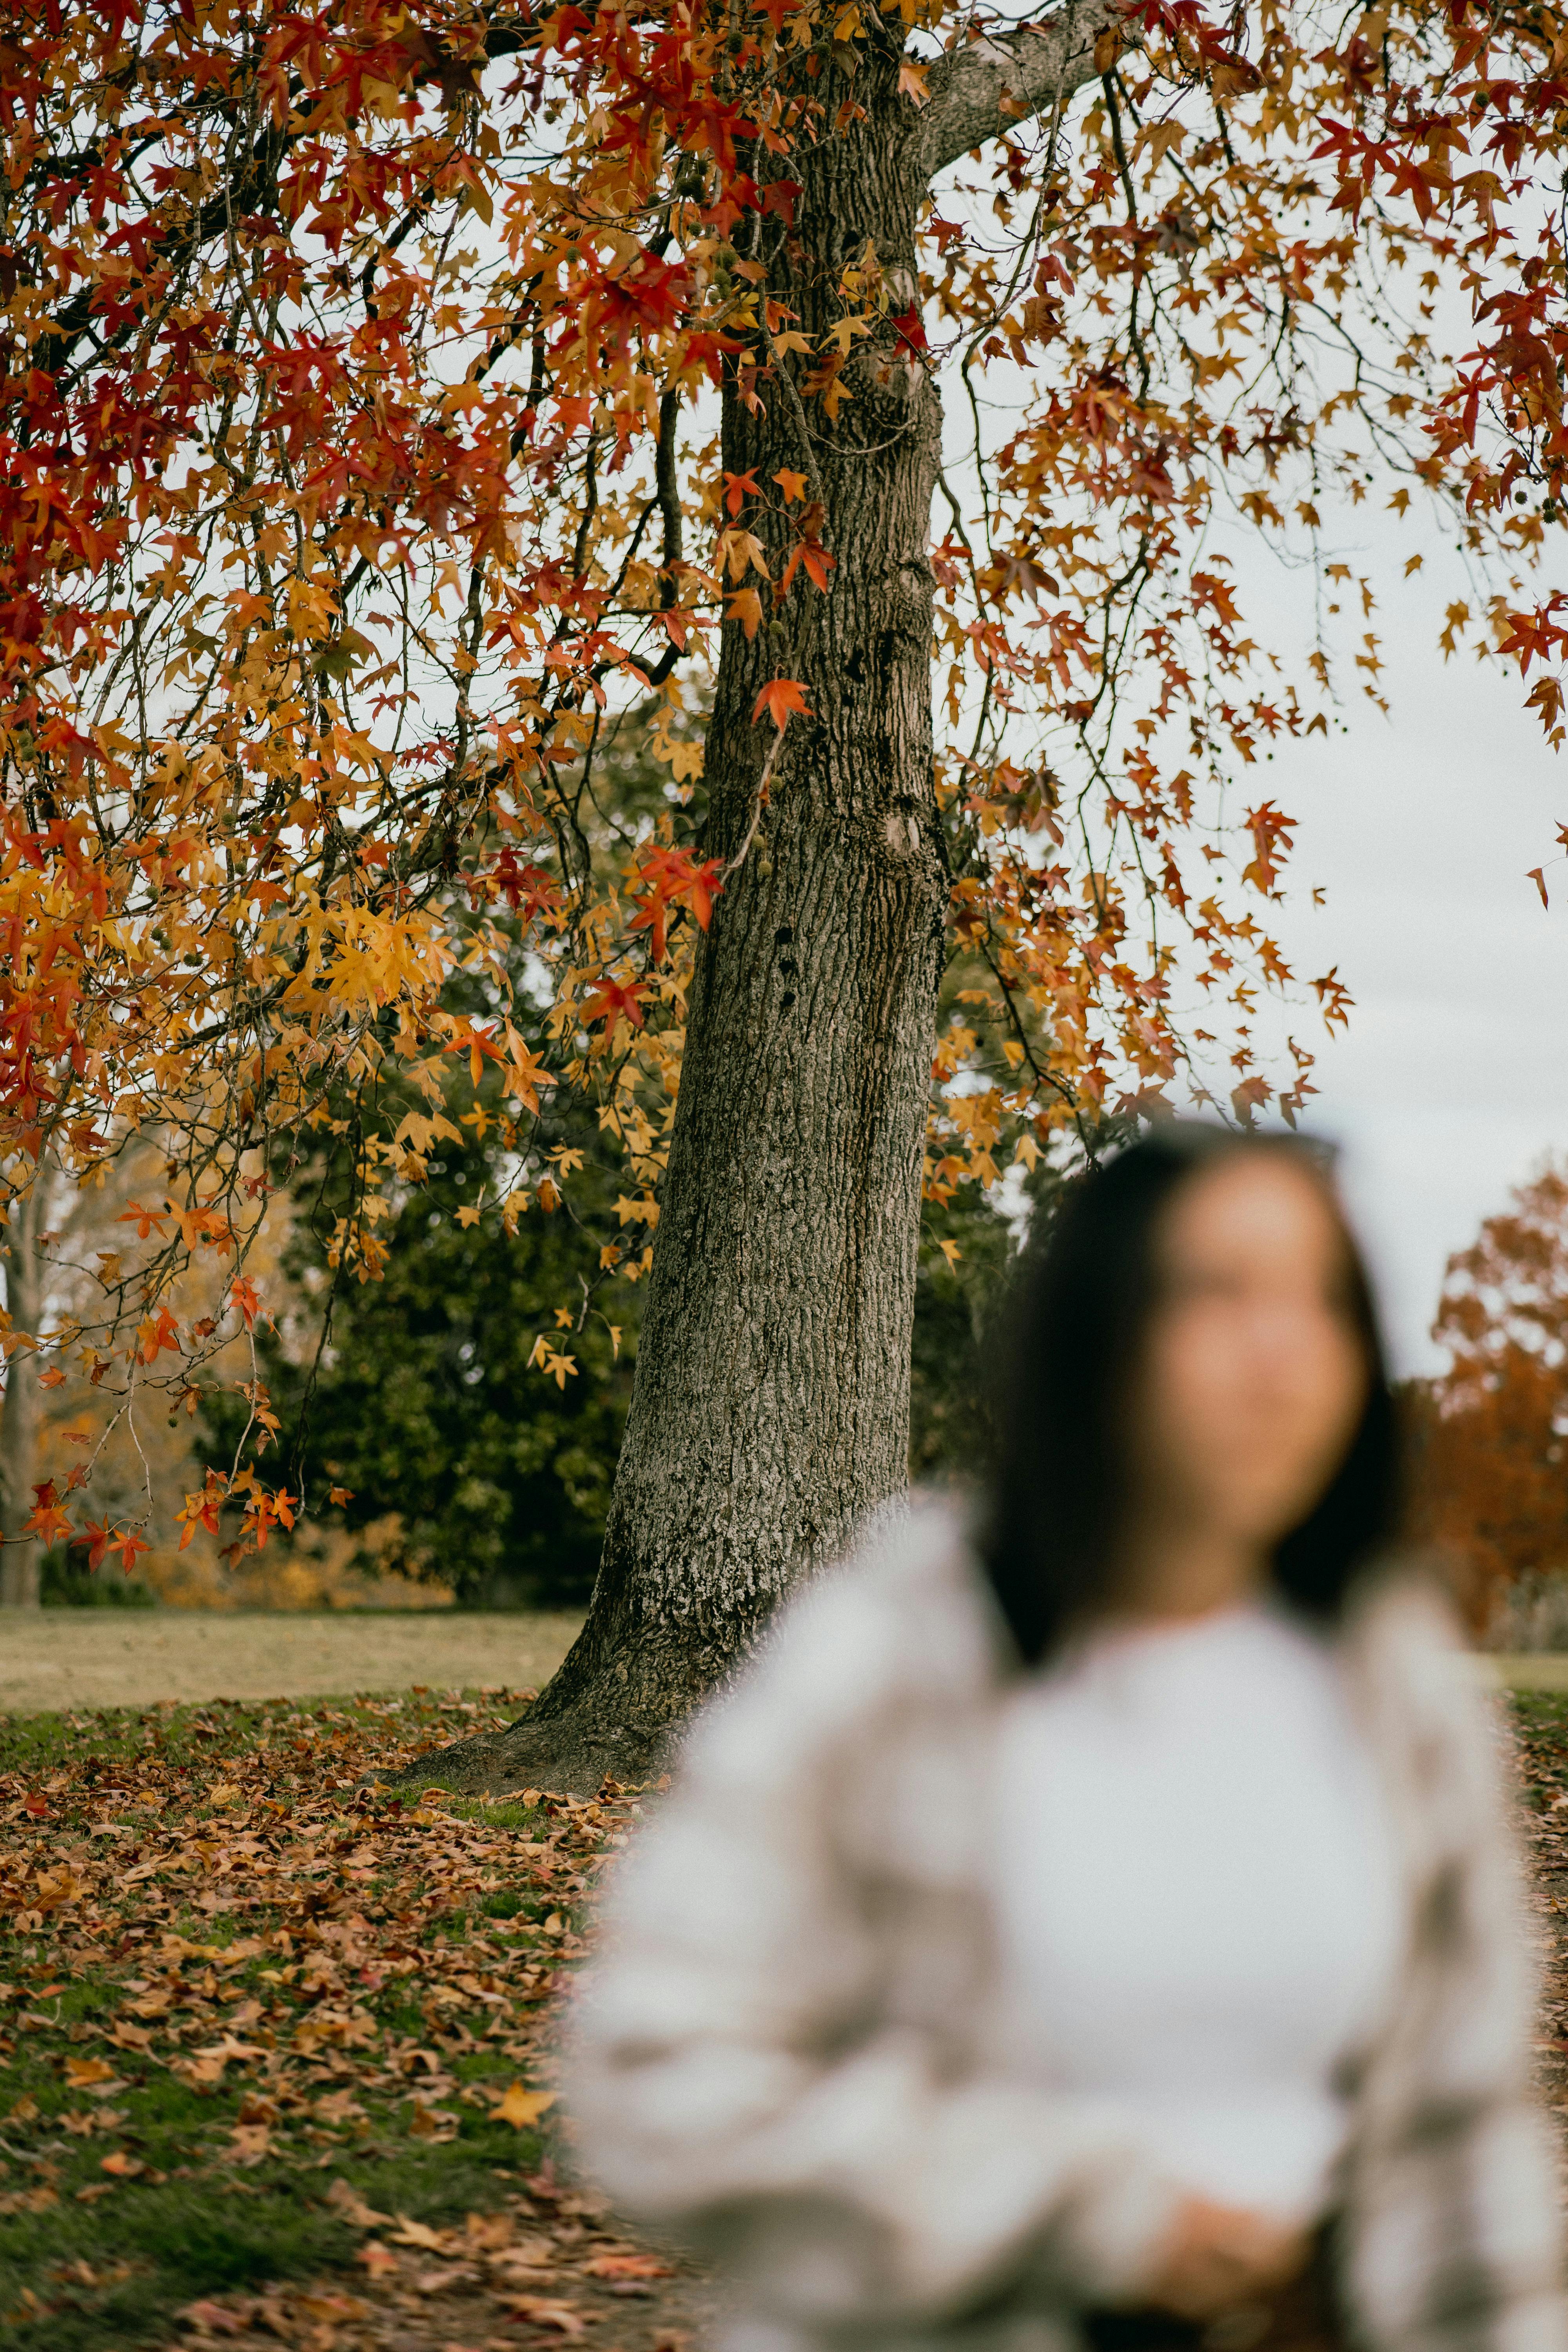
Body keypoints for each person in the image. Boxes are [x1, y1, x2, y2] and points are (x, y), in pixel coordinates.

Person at [565, 1124, 1566, 2352]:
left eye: (1326, 1303)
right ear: (1101, 1331)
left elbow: (1469, 2128)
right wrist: (1087, 2211)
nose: (1284, 1357)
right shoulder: (906, 1651)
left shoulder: (1390, 1679)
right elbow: (659, 2072)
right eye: (1220, 1293)